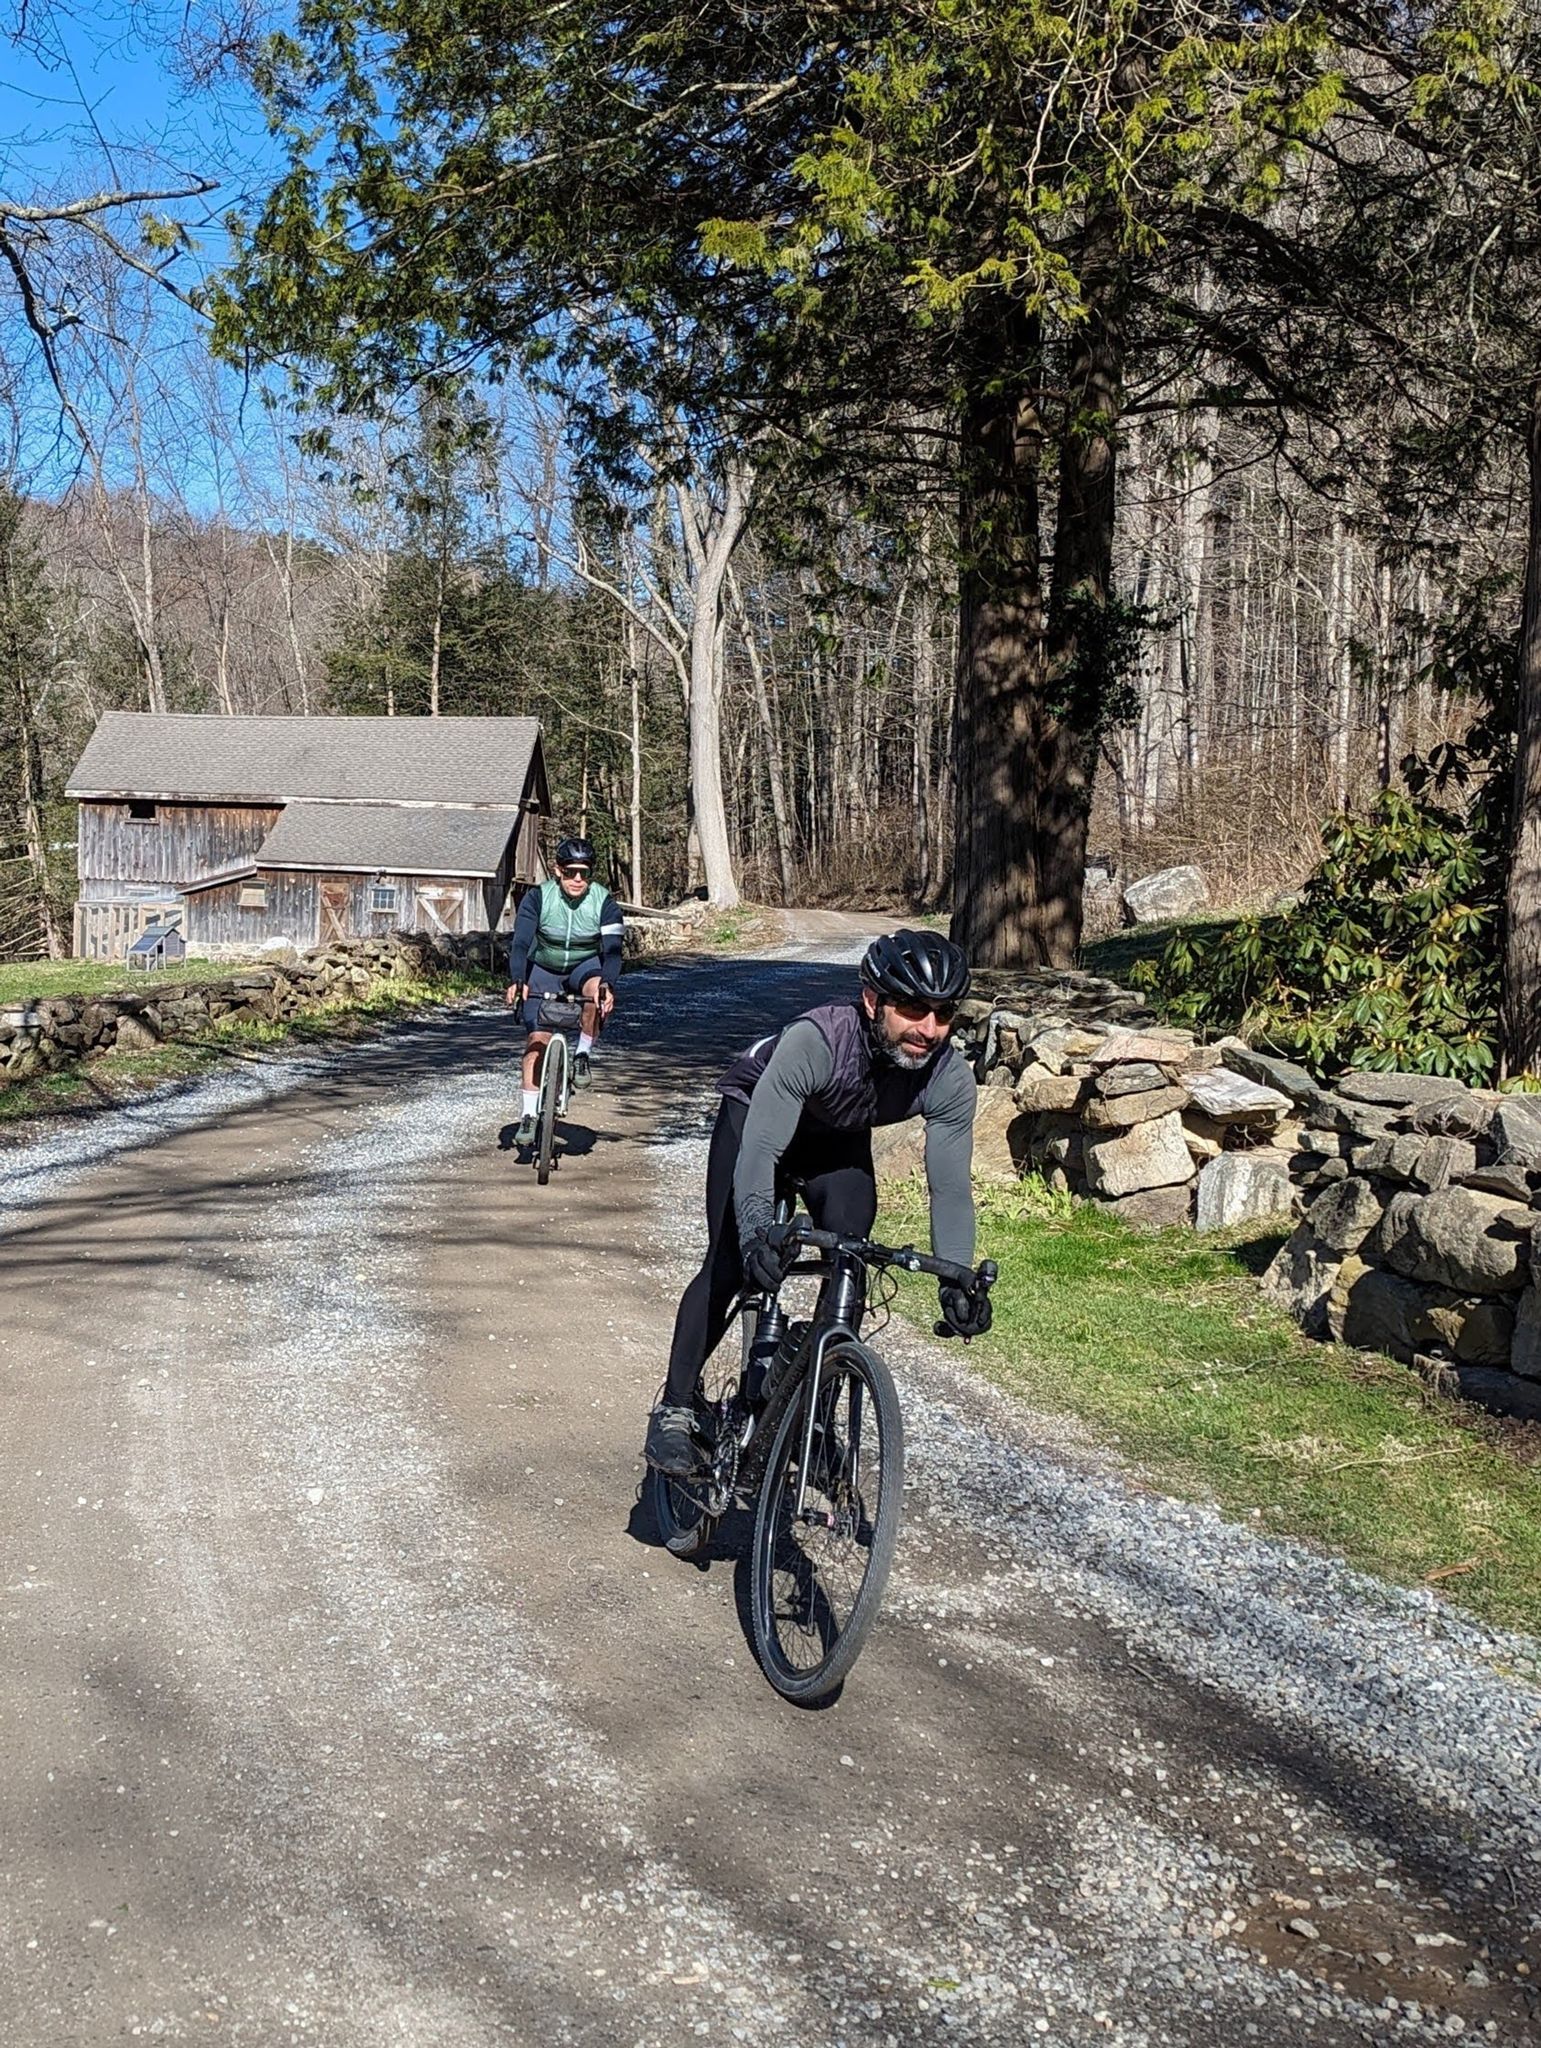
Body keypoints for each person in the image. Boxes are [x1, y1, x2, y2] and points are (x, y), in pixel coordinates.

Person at [645, 927, 990, 1476]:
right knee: (733, 1261)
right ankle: (677, 1407)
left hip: (836, 1138)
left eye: (943, 1014)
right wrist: (758, 1232)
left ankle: (813, 1410)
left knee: (850, 1256)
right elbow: (759, 1150)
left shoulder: (949, 1077)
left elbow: (949, 1187)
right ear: (873, 1000)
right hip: (754, 1119)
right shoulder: (819, 1040)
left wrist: (957, 1276)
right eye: (912, 1009)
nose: (928, 1030)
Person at [504, 837, 625, 1146]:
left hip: (583, 966)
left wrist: (608, 984)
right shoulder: (539, 898)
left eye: (585, 872)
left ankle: (582, 1055)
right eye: (571, 872)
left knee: (596, 991)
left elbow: (612, 952)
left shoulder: (604, 903)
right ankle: (529, 1116)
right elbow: (520, 943)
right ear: (558, 870)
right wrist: (518, 979)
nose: (578, 879)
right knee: (536, 1044)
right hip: (543, 966)